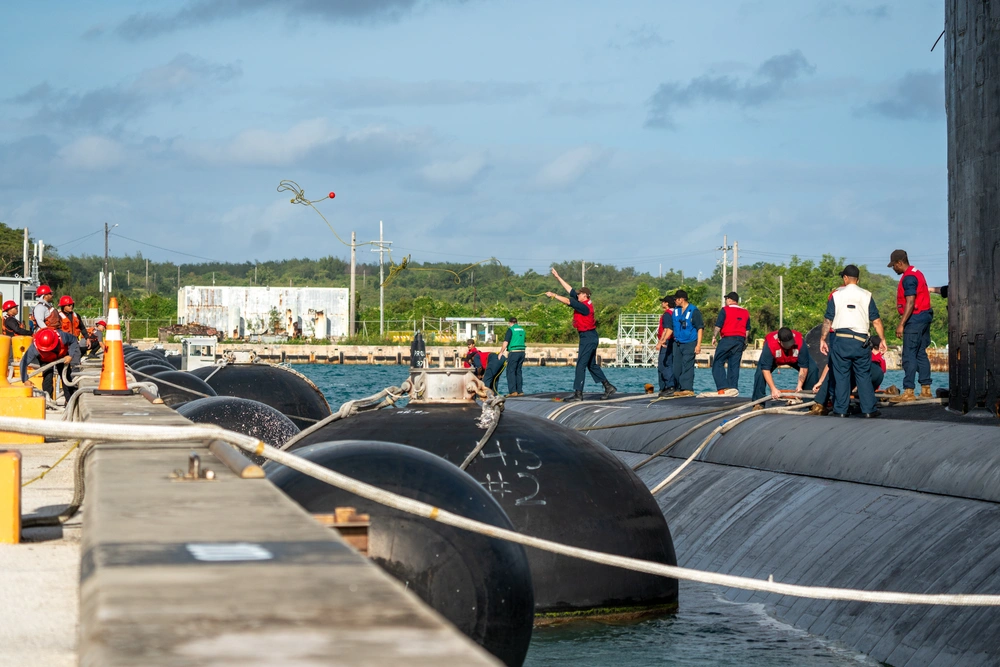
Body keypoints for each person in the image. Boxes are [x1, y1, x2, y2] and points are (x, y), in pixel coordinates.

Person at [819, 264, 888, 418]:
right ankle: (869, 410)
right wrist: (882, 339)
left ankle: (841, 410)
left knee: (841, 375)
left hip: (841, 340)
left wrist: (823, 339)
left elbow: (828, 320)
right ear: (858, 279)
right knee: (863, 374)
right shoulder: (866, 295)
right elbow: (876, 321)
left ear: (845, 278)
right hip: (860, 341)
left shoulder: (836, 295)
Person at [546, 268, 616, 401]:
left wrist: (554, 295)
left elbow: (568, 300)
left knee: (581, 365)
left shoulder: (584, 307)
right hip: (589, 337)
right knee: (591, 365)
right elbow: (570, 290)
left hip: (588, 337)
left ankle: (578, 394)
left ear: (585, 296)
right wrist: (558, 277)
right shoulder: (582, 302)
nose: (577, 295)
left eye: (580, 294)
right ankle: (608, 386)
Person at [887, 250, 933, 402]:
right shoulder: (917, 272)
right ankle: (926, 390)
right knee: (920, 353)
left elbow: (910, 302)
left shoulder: (909, 278)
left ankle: (908, 391)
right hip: (925, 317)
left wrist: (901, 324)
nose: (894, 269)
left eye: (894, 266)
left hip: (915, 320)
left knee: (909, 354)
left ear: (900, 263)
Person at [810, 335, 886, 415]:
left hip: (864, 373)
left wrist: (821, 382)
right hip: (877, 375)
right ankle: (868, 409)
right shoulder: (877, 356)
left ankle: (822, 404)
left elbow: (830, 366)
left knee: (836, 372)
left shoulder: (844, 345)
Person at [752, 327, 819, 406]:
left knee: (813, 368)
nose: (789, 346)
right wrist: (773, 389)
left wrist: (799, 386)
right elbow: (766, 369)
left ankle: (809, 402)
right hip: (775, 359)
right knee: (760, 373)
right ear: (779, 341)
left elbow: (804, 367)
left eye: (791, 343)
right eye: (787, 344)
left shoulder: (800, 342)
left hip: (794, 358)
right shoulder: (770, 345)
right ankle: (758, 403)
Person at [661, 290, 703, 397]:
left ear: (682, 299)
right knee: (676, 367)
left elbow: (700, 328)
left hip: (689, 342)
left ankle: (687, 388)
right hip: (677, 342)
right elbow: (670, 327)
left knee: (687, 365)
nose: (674, 301)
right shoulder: (675, 311)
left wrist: (698, 345)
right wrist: (664, 339)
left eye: (676, 299)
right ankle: (678, 387)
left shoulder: (694, 311)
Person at [20, 328, 82, 401]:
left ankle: (69, 401)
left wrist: (70, 355)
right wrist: (25, 379)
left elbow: (73, 340)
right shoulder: (34, 348)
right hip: (45, 359)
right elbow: (23, 362)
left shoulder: (63, 337)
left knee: (66, 377)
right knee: (47, 378)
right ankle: (48, 401)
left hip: (62, 357)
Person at [711, 292, 749, 393]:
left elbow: (718, 325)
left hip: (727, 339)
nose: (725, 301)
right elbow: (747, 330)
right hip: (740, 340)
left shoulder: (725, 310)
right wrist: (745, 341)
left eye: (726, 299)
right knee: (734, 365)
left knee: (718, 362)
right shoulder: (745, 312)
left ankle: (722, 387)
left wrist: (714, 336)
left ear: (729, 299)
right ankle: (733, 388)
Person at [653, 295, 678, 397]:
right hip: (673, 341)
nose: (662, 303)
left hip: (667, 341)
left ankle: (668, 386)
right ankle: (669, 385)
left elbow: (666, 329)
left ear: (667, 303)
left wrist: (661, 341)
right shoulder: (676, 313)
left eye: (663, 302)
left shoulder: (667, 314)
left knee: (664, 363)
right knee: (670, 363)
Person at [499, 317, 526, 396]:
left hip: (514, 352)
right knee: (518, 371)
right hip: (522, 352)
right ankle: (520, 391)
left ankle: (513, 391)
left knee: (510, 371)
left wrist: (501, 352)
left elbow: (506, 342)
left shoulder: (510, 330)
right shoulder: (522, 330)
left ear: (510, 323)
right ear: (517, 322)